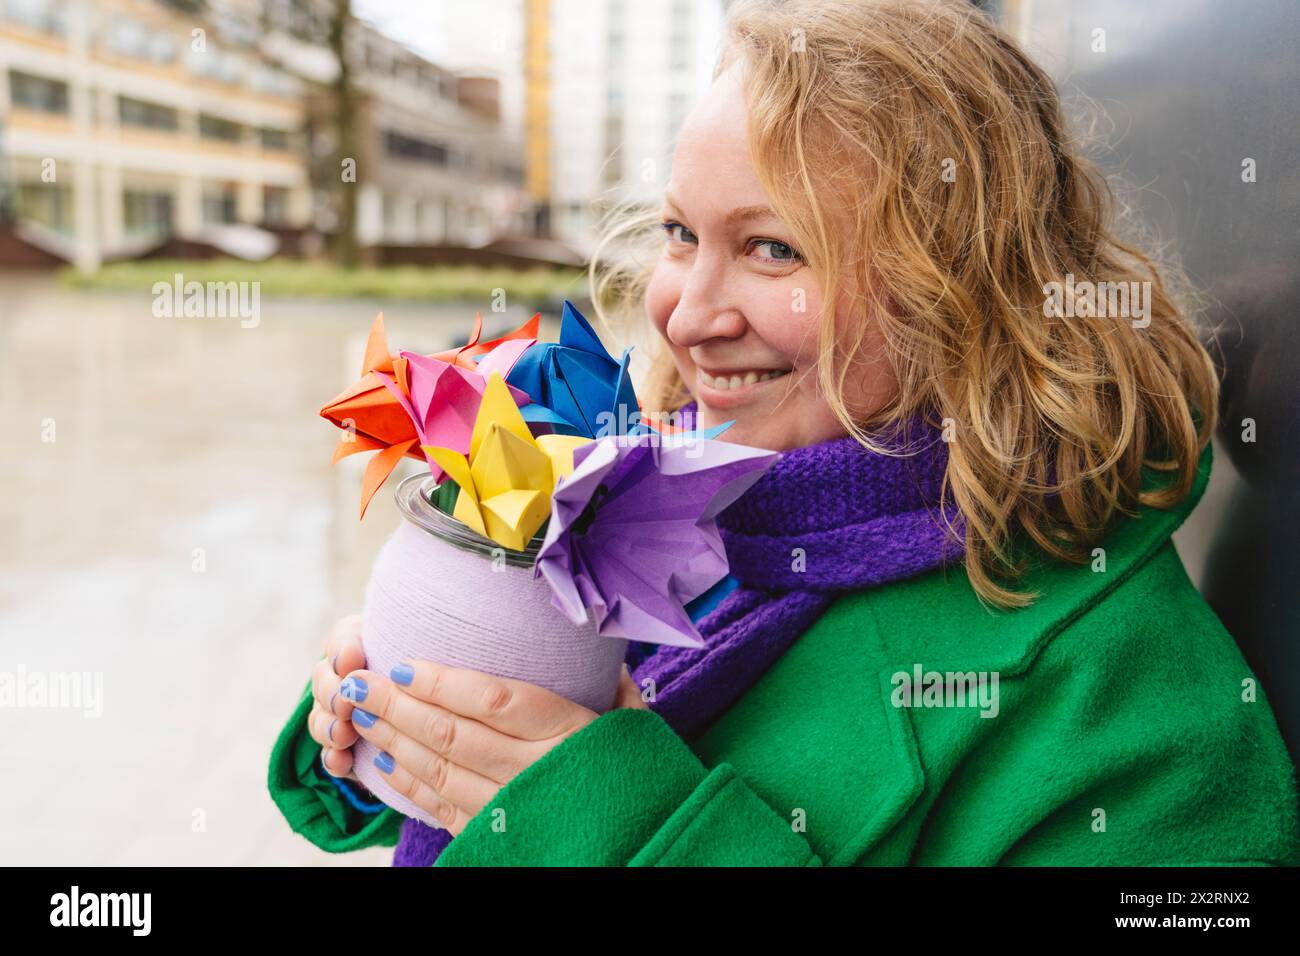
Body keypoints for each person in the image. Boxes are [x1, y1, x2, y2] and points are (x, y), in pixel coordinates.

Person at [268, 0, 1299, 866]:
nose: (687, 310)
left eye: (771, 248)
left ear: (967, 285)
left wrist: (612, 829)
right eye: (681, 234)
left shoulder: (1144, 715)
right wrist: (410, 744)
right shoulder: (647, 499)